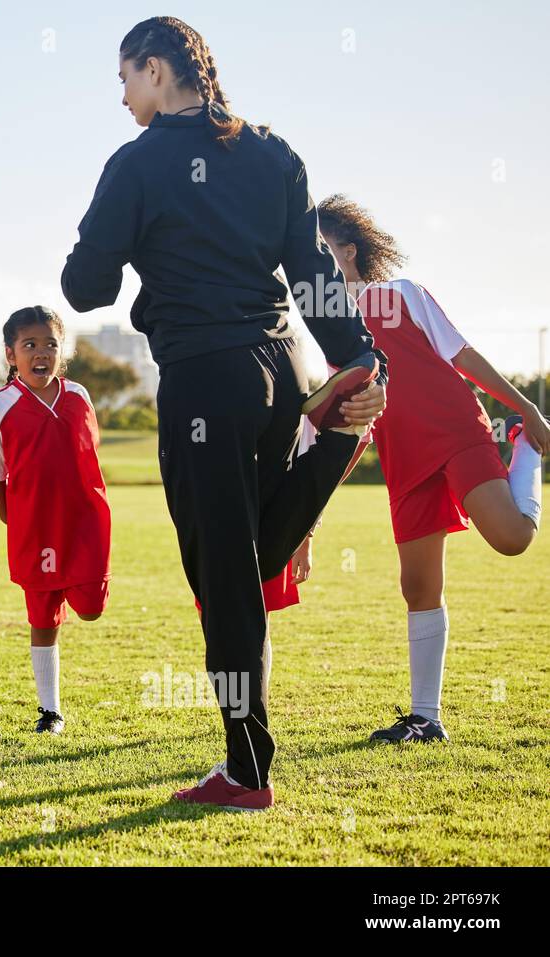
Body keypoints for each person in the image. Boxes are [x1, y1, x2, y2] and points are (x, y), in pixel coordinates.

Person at [61, 16, 387, 810]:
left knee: (226, 574)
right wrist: (362, 354)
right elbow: (312, 273)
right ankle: (330, 452)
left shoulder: (136, 164)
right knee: (244, 560)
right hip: (279, 372)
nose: (123, 97)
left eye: (125, 79)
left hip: (206, 378)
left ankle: (246, 771)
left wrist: (109, 241)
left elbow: (84, 288)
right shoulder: (274, 153)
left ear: (157, 69)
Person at [319, 194, 546, 743]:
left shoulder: (402, 295)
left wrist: (526, 408)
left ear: (349, 252)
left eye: (319, 249)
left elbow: (462, 354)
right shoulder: (327, 331)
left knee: (513, 538)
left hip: (455, 433)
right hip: (403, 459)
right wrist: (308, 519)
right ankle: (426, 719)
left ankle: (525, 448)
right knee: (417, 586)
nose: (310, 261)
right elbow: (338, 425)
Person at [0, 306, 112, 735]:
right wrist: (12, 519)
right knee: (43, 617)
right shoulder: (0, 406)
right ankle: (50, 709)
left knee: (89, 609)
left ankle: (75, 584)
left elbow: (89, 454)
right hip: (35, 528)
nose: (41, 353)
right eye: (30, 345)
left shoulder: (79, 396)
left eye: (50, 344)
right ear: (11, 354)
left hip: (86, 524)